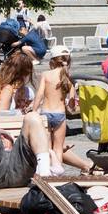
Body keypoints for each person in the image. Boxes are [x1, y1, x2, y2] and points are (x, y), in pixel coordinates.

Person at [33, 45, 76, 174]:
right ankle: (57, 172)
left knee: (45, 146)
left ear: (52, 61)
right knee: (58, 147)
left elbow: (39, 95)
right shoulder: (69, 77)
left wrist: (34, 111)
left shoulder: (46, 74)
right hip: (60, 114)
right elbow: (72, 102)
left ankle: (45, 171)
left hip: (45, 113)